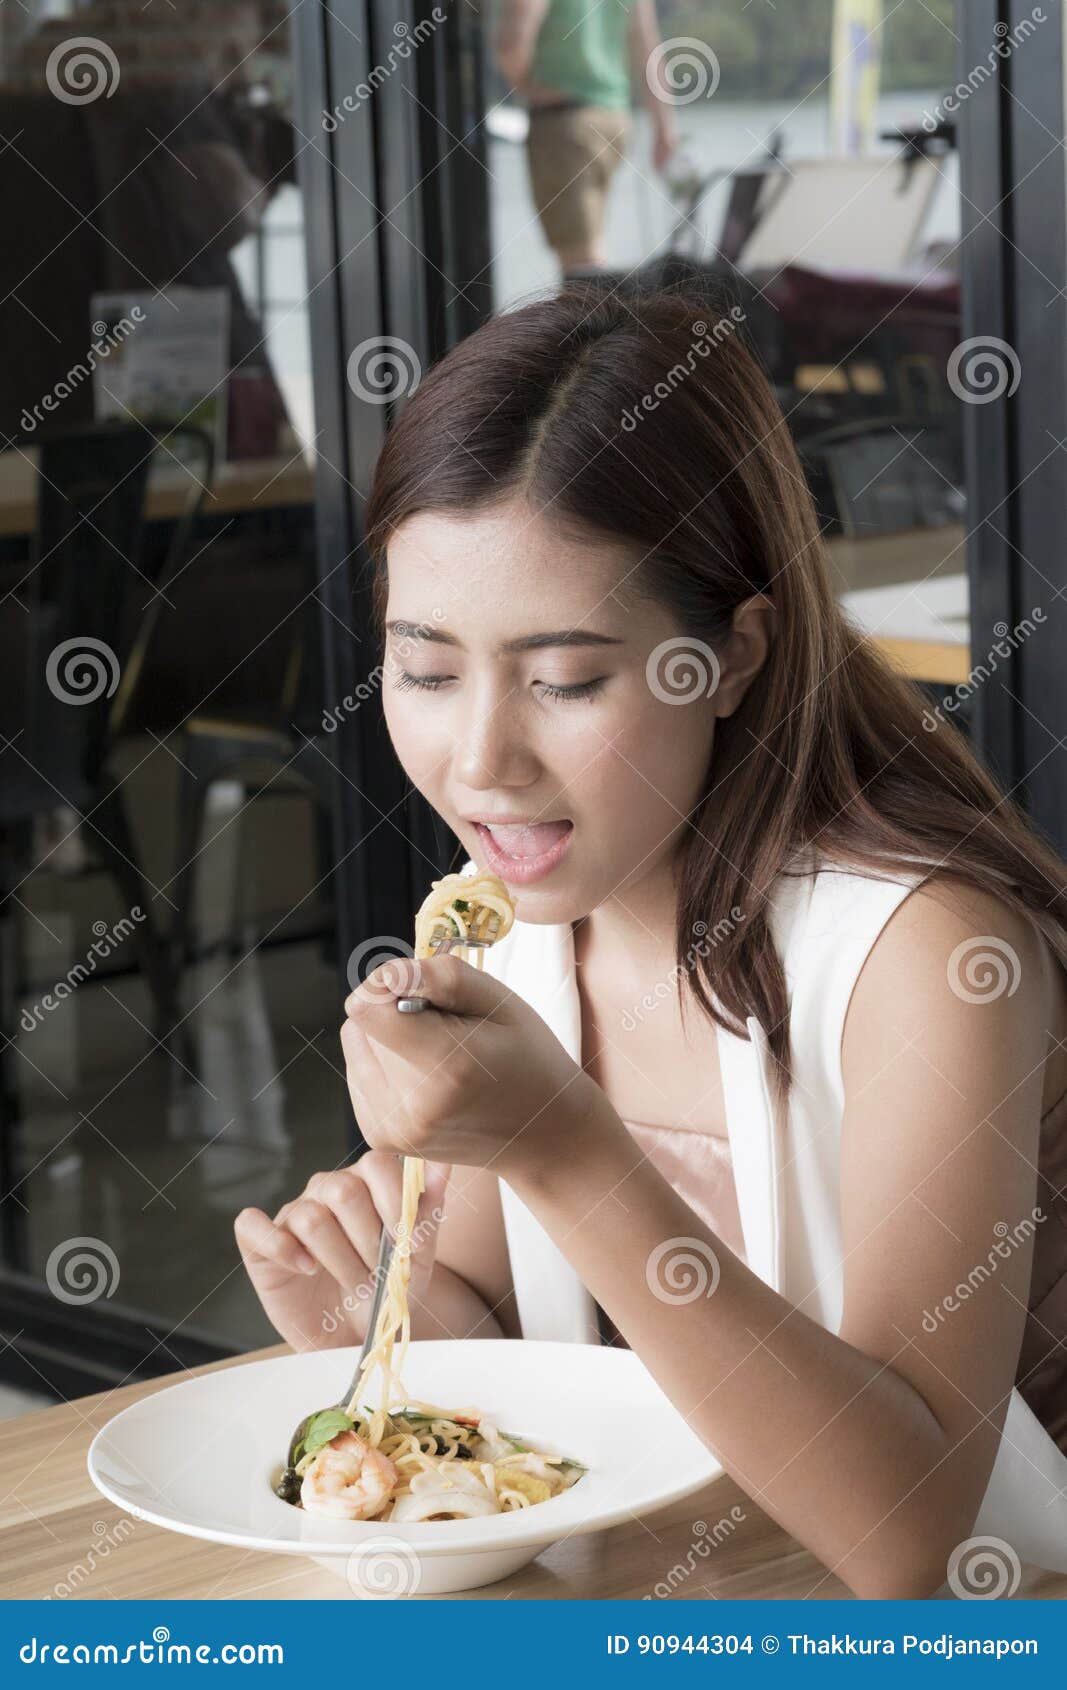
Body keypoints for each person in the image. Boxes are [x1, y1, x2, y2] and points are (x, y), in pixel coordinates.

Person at [236, 286, 1067, 1597]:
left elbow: (909, 1540)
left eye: (564, 678)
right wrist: (384, 1330)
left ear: (728, 657)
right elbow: (502, 1337)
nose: (478, 761)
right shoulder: (502, 928)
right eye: (425, 667)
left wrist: (561, 1145)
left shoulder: (928, 953)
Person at [494, 0, 678, 279]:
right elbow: (648, 47)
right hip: (614, 118)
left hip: (567, 124)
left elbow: (512, 43)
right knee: (591, 249)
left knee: (582, 268)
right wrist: (664, 129)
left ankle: (604, 322)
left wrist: (526, 87)